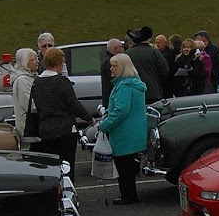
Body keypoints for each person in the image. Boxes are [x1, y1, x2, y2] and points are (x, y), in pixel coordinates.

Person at [26, 47, 90, 177]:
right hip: (65, 131)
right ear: (58, 63)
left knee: (51, 168)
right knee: (67, 167)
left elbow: (34, 107)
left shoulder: (37, 82)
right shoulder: (62, 82)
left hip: (45, 130)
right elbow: (74, 104)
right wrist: (89, 117)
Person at [98, 52, 148, 204]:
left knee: (123, 166)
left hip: (124, 132)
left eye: (114, 66)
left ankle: (128, 196)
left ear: (123, 67)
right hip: (133, 130)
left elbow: (121, 110)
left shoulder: (124, 87)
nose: (111, 69)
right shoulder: (132, 83)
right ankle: (129, 194)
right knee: (128, 165)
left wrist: (104, 125)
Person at [125, 26, 171, 103]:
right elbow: (165, 70)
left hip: (133, 93)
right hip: (153, 93)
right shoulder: (155, 53)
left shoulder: (127, 54)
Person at [10, 47, 39, 145]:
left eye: (37, 59)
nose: (37, 62)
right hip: (29, 128)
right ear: (24, 63)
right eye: (32, 60)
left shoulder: (31, 77)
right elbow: (28, 105)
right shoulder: (22, 81)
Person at [99, 37, 124, 107]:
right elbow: (114, 80)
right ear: (115, 48)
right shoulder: (112, 62)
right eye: (121, 46)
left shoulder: (106, 60)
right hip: (113, 98)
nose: (123, 49)